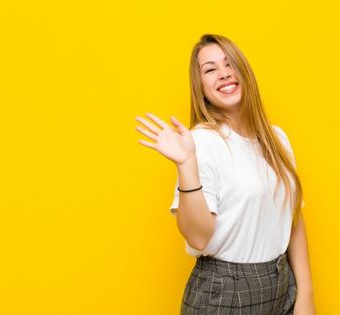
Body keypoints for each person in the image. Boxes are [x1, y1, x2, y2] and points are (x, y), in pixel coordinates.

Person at [135, 34, 316, 314]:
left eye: (229, 63)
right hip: (224, 292)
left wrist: (305, 295)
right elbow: (198, 237)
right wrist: (186, 165)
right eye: (210, 69)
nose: (224, 73)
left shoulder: (276, 139)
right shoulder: (201, 143)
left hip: (281, 284)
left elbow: (293, 218)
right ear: (201, 88)